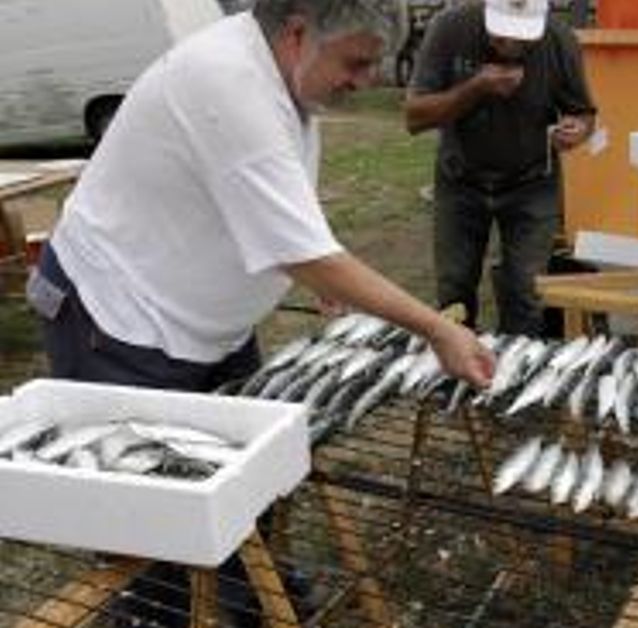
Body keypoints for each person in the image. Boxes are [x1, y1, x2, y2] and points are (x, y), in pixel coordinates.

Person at [24, 1, 494, 625]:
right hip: (117, 318)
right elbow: (303, 250)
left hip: (202, 325)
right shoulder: (229, 83)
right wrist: (435, 328)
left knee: (248, 480)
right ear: (298, 34)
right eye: (357, 62)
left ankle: (251, 601)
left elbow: (282, 206)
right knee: (153, 527)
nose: (365, 81)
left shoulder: (282, 74)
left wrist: (318, 264)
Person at [405, 0, 596, 335]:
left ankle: (517, 362)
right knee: (454, 291)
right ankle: (457, 360)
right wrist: (475, 87)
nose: (510, 44)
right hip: (461, 180)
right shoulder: (449, 28)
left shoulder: (560, 39)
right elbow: (414, 117)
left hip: (533, 184)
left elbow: (583, 112)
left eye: (522, 36)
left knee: (526, 293)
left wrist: (578, 129)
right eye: (501, 34)